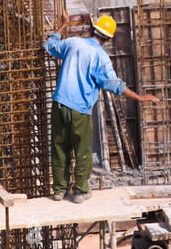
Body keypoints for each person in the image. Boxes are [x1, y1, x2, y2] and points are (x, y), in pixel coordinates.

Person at [45, 11, 157, 203]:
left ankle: (59, 190)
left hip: (59, 103)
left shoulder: (73, 43)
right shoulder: (101, 57)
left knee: (59, 148)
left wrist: (63, 25)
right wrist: (138, 97)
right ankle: (80, 191)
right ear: (108, 39)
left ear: (91, 29)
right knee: (82, 150)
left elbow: (49, 45)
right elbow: (115, 85)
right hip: (80, 109)